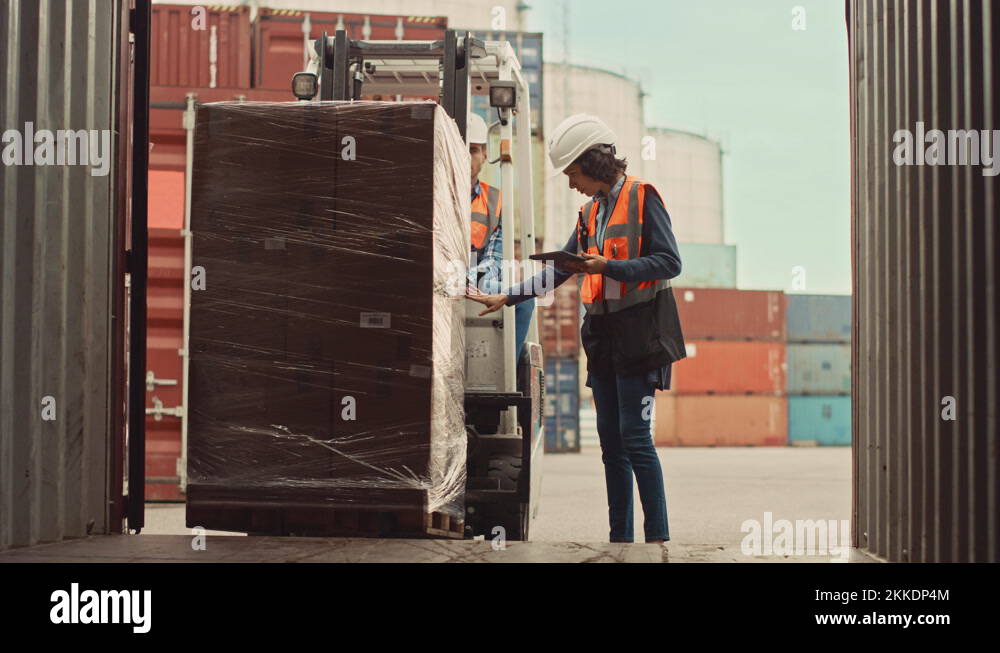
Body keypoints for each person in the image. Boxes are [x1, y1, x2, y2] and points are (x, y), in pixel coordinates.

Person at [466, 114, 687, 544]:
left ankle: (657, 540)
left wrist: (611, 267)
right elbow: (560, 270)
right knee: (611, 448)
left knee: (636, 440)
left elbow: (670, 261)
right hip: (603, 338)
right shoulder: (589, 214)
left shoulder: (644, 197)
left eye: (573, 173)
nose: (571, 185)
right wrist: (508, 296)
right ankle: (620, 541)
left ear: (594, 162)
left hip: (642, 334)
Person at [465, 112, 535, 361]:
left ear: (484, 155)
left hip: (476, 279)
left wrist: (470, 278)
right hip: (434, 279)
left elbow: (496, 259)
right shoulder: (430, 192)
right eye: (461, 148)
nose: (466, 156)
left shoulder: (496, 200)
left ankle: (508, 372)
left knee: (524, 300)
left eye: (473, 150)